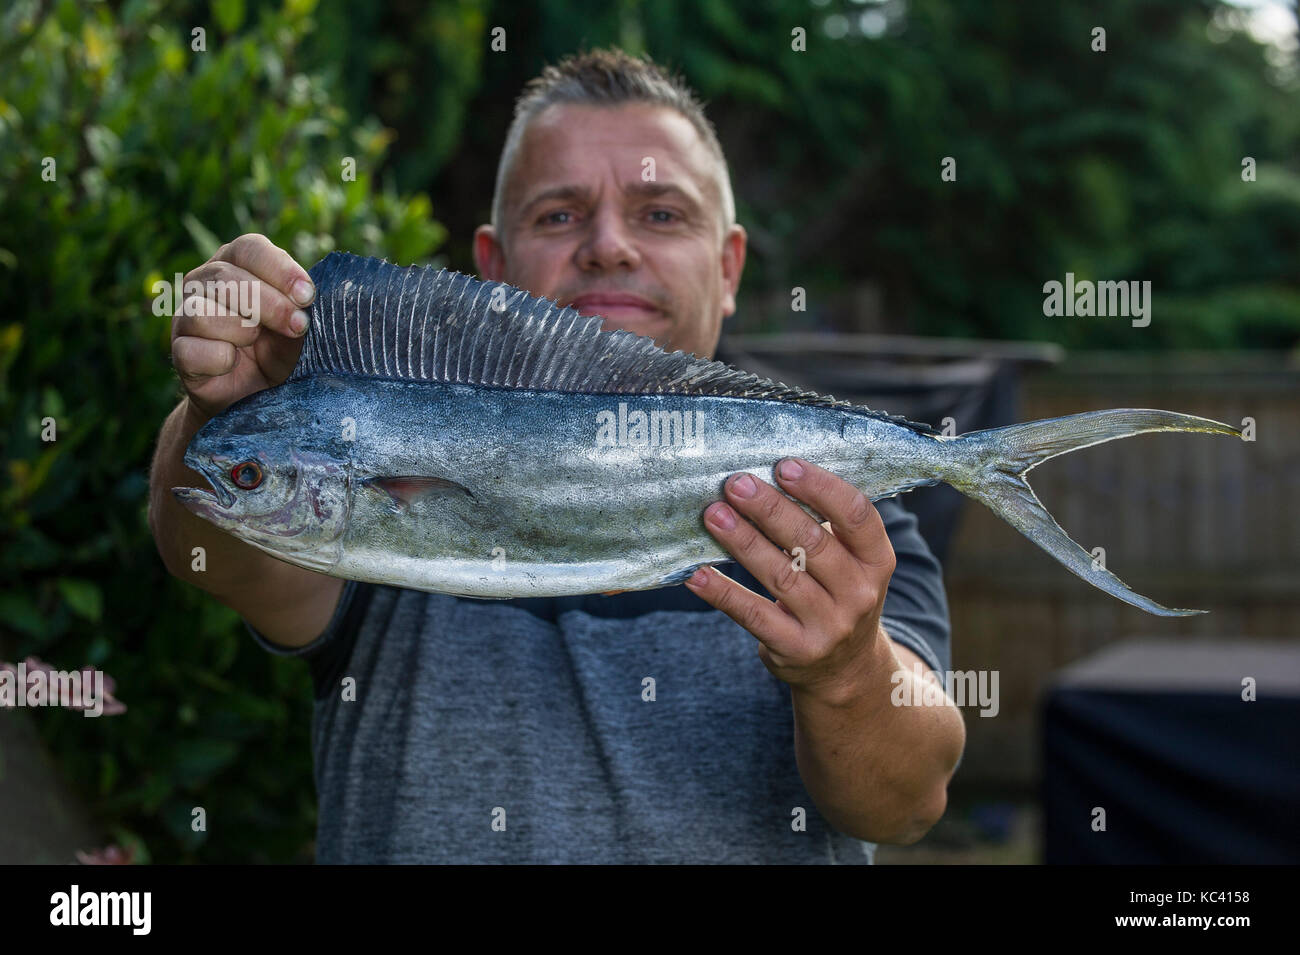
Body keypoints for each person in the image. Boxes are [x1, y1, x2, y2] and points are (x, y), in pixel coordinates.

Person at [148, 48, 965, 864]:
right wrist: (221, 404)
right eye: (559, 215)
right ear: (492, 265)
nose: (609, 246)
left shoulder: (826, 489)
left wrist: (848, 671)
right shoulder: (375, 435)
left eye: (660, 214)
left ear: (728, 269)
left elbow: (909, 802)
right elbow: (208, 553)